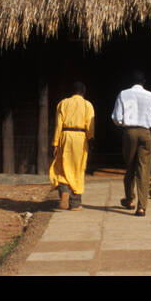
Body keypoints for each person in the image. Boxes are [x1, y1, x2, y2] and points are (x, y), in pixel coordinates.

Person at [112, 70, 151, 216]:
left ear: (131, 82)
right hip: (145, 132)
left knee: (130, 166)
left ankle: (129, 199)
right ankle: (141, 207)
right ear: (144, 82)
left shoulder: (123, 94)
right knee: (144, 170)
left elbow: (116, 117)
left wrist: (125, 126)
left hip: (129, 132)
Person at [49, 81, 95, 210]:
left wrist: (55, 143)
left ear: (72, 92)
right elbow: (90, 126)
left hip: (65, 135)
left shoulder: (63, 103)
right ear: (83, 93)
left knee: (62, 166)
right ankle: (75, 203)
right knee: (78, 168)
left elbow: (58, 124)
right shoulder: (87, 105)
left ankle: (64, 191)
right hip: (80, 137)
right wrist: (91, 140)